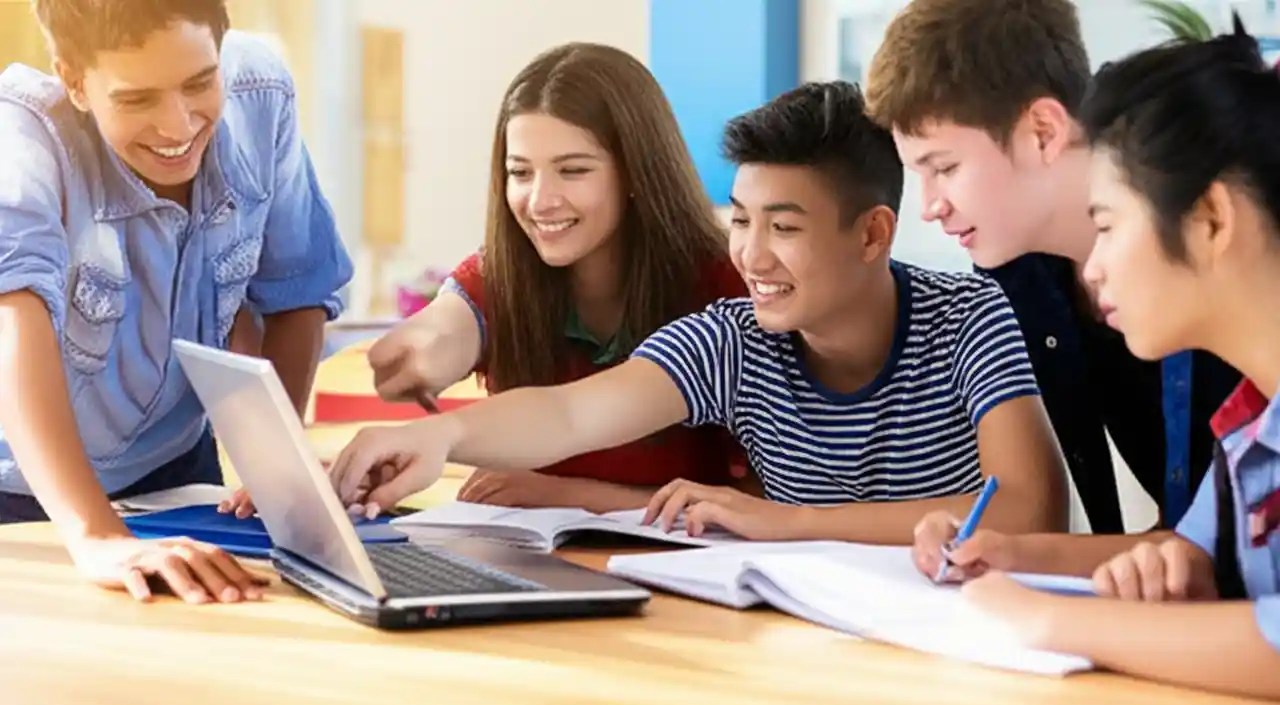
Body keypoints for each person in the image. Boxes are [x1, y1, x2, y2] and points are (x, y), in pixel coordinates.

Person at [328, 81, 1068, 545]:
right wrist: (443, 434)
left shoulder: (968, 317)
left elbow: (1028, 509)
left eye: (783, 227)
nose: (751, 255)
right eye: (740, 221)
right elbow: (569, 416)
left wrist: (794, 523)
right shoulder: (733, 337)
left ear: (872, 233)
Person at [955, 26, 1280, 700]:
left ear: (1211, 219)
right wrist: (1013, 558)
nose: (1094, 268)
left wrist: (1055, 620)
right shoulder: (1249, 429)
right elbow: (1189, 553)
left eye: (1105, 225)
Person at [0, 0, 352, 603]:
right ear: (75, 81)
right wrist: (94, 535)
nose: (179, 126)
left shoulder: (260, 92)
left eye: (199, 83)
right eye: (137, 99)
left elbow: (297, 290)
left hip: (176, 472)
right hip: (24, 490)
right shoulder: (24, 136)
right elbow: (14, 314)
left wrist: (275, 474)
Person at [864, 0, 1239, 534]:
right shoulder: (1017, 272)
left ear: (1043, 131)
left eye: (944, 168)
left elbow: (1224, 548)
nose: (929, 205)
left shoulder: (1207, 247)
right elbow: (1185, 535)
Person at [356, 43, 749, 514]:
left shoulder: (729, 289)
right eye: (520, 173)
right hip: (539, 558)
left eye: (573, 171)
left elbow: (767, 501)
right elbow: (451, 324)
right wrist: (420, 349)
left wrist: (573, 497)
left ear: (636, 172)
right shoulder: (503, 275)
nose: (540, 201)